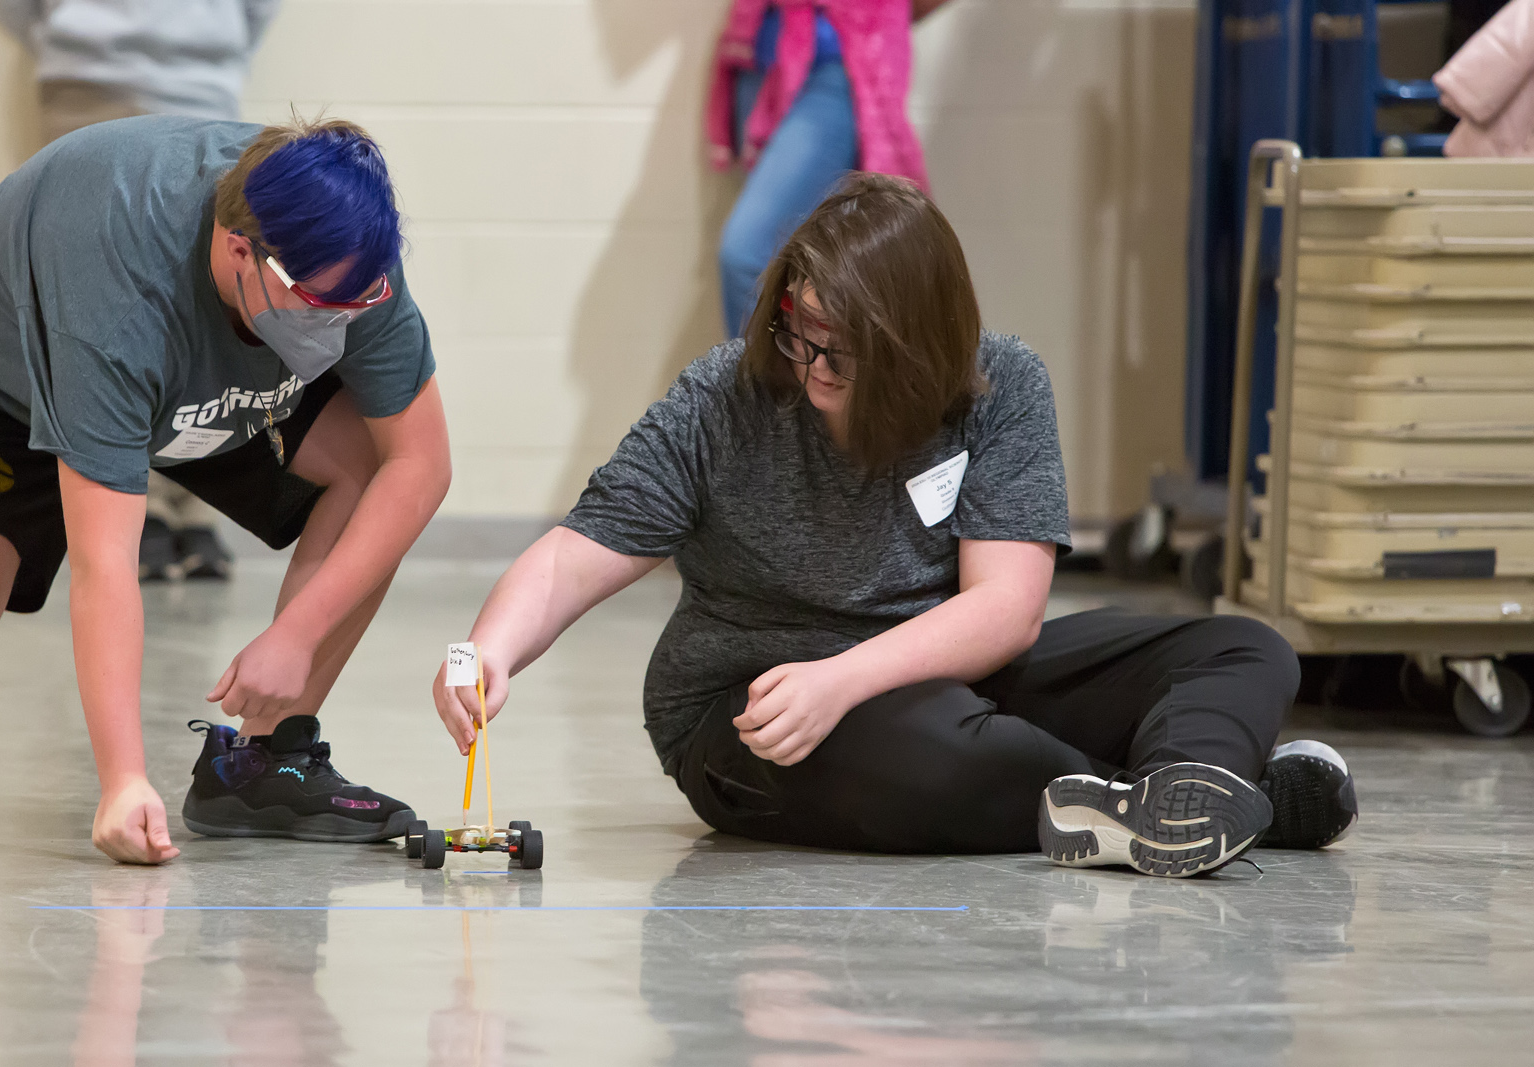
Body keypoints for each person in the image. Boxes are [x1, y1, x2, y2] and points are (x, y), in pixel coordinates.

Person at [433, 174, 1358, 878]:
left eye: (845, 348)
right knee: (940, 757)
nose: (814, 365)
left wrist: (848, 676)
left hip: (940, 674)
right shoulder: (723, 397)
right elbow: (573, 554)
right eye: (800, 331)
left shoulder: (1001, 385)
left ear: (918, 345)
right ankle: (1226, 797)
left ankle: (1182, 797)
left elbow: (1004, 612)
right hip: (754, 713)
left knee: (1244, 648)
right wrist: (489, 651)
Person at [0, 115, 450, 864]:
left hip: (215, 365)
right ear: (241, 250)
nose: (337, 329)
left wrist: (298, 633)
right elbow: (106, 563)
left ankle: (264, 762)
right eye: (318, 304)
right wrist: (123, 781)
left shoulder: (348, 258)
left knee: (372, 466)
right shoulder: (115, 275)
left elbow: (420, 464)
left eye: (357, 306)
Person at [0, 0, 289, 582]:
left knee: (209, 296)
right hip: (88, 81)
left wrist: (211, 47)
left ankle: (196, 503)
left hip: (203, 85)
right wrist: (71, 32)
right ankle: (134, 497)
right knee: (105, 304)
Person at [707, 0, 951, 338]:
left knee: (748, 256)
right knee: (807, 274)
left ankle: (764, 390)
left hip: (838, 65)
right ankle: (793, 384)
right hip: (766, 66)